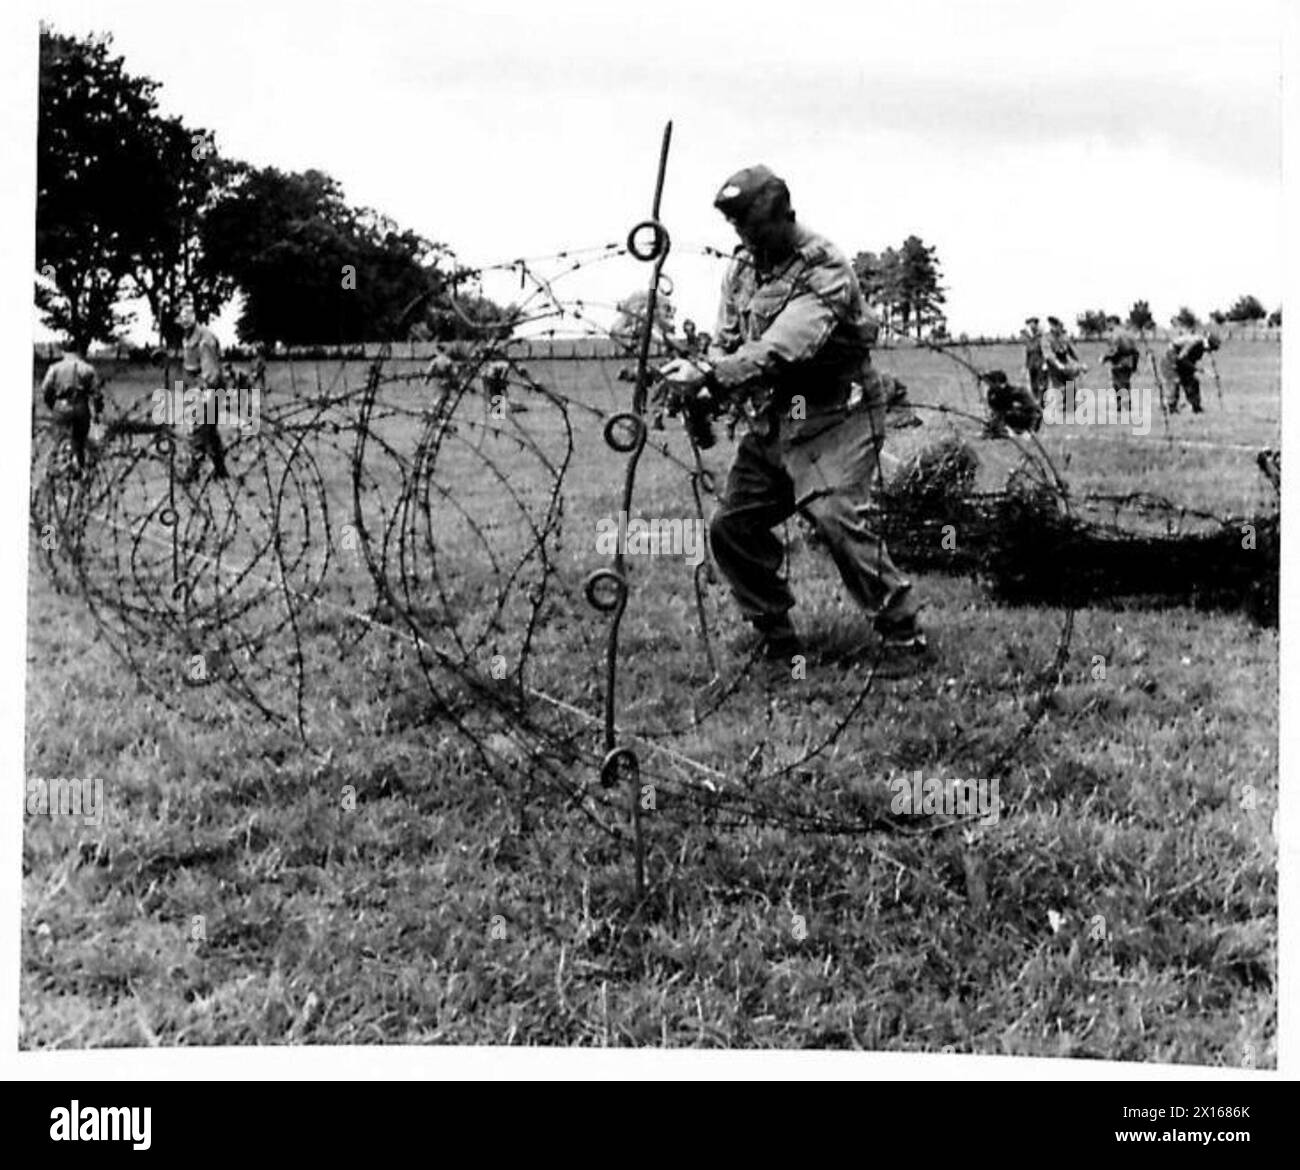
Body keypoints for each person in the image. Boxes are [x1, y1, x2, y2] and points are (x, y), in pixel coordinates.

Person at [657, 164, 924, 660]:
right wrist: (700, 373)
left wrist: (714, 376)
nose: (745, 239)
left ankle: (903, 633)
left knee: (833, 515)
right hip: (776, 419)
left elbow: (786, 346)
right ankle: (777, 639)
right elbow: (728, 341)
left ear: (787, 218)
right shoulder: (742, 267)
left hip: (836, 416)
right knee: (732, 527)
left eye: (754, 229)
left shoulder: (824, 268)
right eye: (738, 230)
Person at [178, 303, 229, 481]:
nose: (184, 324)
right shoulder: (189, 337)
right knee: (209, 429)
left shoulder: (204, 340)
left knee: (199, 429)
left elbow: (211, 369)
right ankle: (221, 469)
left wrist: (208, 391)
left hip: (209, 388)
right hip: (198, 387)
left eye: (187, 319)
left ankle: (193, 471)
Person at [40, 343, 103, 475]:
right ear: (78, 352)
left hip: (61, 406)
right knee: (80, 440)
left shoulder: (54, 368)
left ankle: (56, 466)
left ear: (64, 352)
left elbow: (45, 389)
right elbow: (96, 393)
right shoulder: (88, 368)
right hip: (81, 406)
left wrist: (52, 405)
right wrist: (97, 411)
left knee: (59, 438)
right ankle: (79, 467)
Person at [1161, 332, 1217, 414]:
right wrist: (1197, 369)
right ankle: (1171, 408)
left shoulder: (1200, 348)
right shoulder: (1194, 342)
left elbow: (1190, 359)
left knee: (1192, 382)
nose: (1209, 352)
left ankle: (1196, 407)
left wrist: (1195, 369)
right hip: (1171, 359)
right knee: (1174, 382)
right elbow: (1181, 358)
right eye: (1211, 349)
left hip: (1182, 361)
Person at [1043, 316, 1085, 415]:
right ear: (1052, 326)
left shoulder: (1064, 336)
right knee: (1059, 387)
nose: (1058, 328)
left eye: (1059, 326)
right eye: (1056, 326)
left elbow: (1072, 351)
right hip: (1053, 365)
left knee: (1071, 385)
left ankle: (1071, 408)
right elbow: (1048, 354)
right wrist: (1057, 364)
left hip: (1065, 362)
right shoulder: (1046, 338)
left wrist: (1080, 363)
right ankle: (1061, 409)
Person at [1100, 329, 1141, 412]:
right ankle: (1125, 405)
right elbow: (1136, 352)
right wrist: (1134, 366)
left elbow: (1114, 353)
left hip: (1119, 365)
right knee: (1124, 384)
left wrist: (1105, 358)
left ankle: (1122, 406)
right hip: (1127, 365)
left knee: (1118, 385)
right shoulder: (1129, 337)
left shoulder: (1117, 338)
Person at [1021, 317, 1048, 406]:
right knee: (1033, 384)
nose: (1031, 325)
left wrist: (1044, 363)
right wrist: (1025, 366)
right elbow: (1027, 353)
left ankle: (1042, 402)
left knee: (1042, 384)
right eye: (1030, 324)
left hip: (1040, 363)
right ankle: (1036, 400)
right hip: (1031, 364)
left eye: (1033, 323)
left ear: (1036, 324)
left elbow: (1045, 351)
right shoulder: (1028, 338)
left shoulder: (1041, 336)